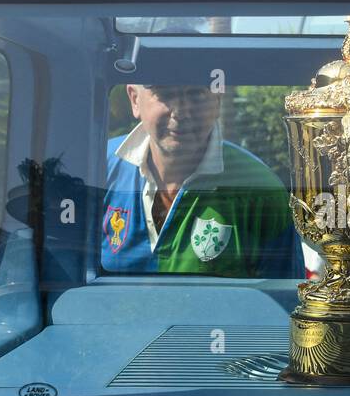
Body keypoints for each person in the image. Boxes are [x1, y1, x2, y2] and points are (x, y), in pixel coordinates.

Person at [102, 84, 303, 276]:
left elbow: (282, 301)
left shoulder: (261, 190)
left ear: (217, 101)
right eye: (165, 93)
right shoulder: (99, 168)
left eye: (196, 95)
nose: (181, 112)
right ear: (135, 99)